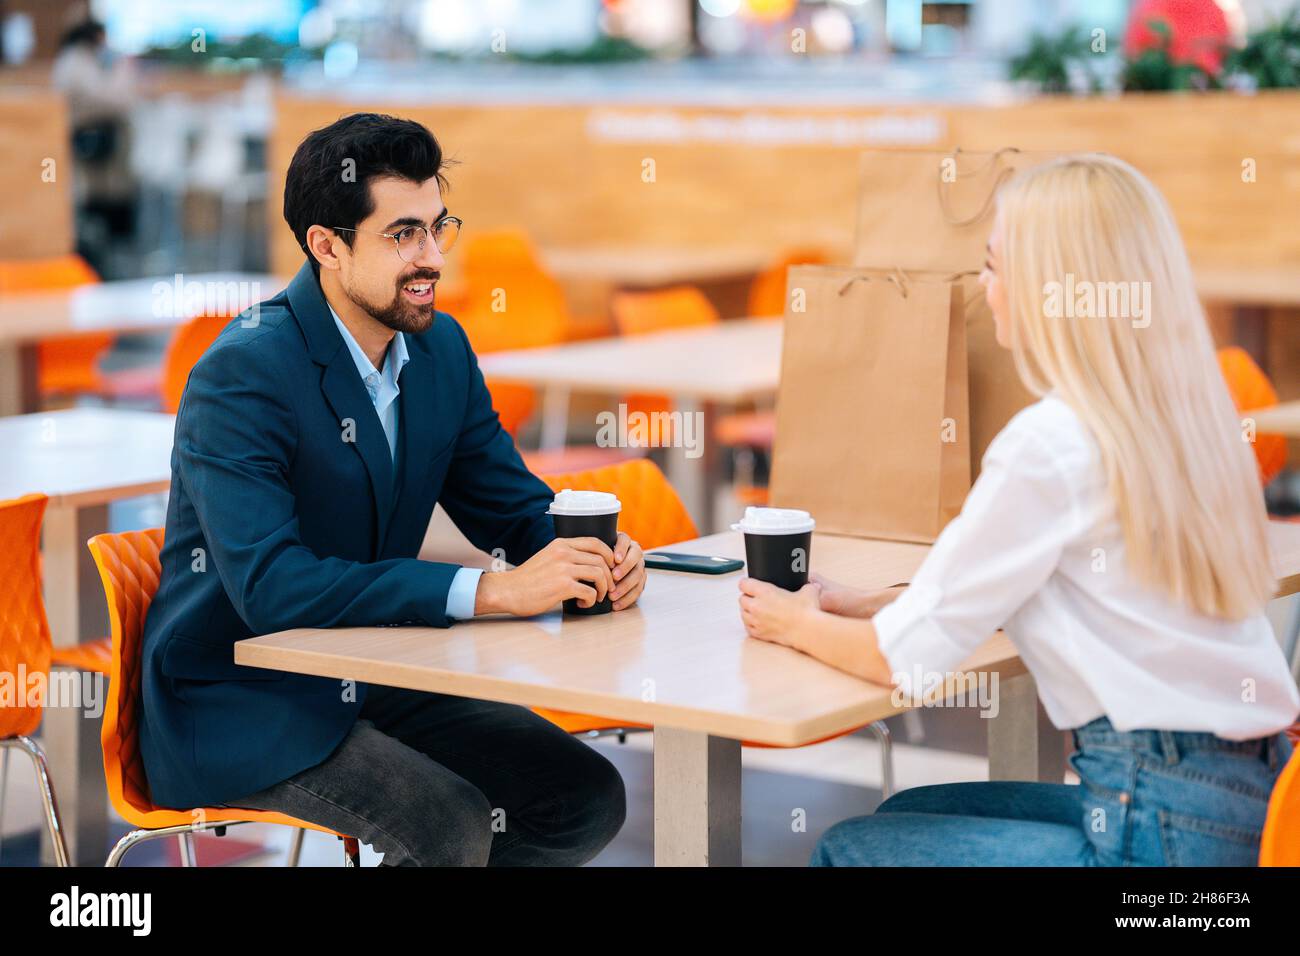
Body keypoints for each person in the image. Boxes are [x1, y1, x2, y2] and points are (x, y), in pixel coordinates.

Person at [737, 153, 1300, 866]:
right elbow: (1076, 585)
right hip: (1245, 799)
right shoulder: (1179, 416)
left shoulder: (1053, 442)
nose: (984, 287)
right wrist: (864, 602)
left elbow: (899, 663)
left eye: (995, 266)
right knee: (911, 813)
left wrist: (792, 621)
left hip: (1161, 830)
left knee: (856, 850)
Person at [140, 113, 643, 865]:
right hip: (239, 693)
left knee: (583, 797)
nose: (433, 257)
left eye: (439, 228)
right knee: (448, 823)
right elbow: (271, 588)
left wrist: (584, 553)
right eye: (403, 234)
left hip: (369, 669)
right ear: (327, 246)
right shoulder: (243, 372)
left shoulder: (438, 347)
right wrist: (489, 592)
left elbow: (509, 505)